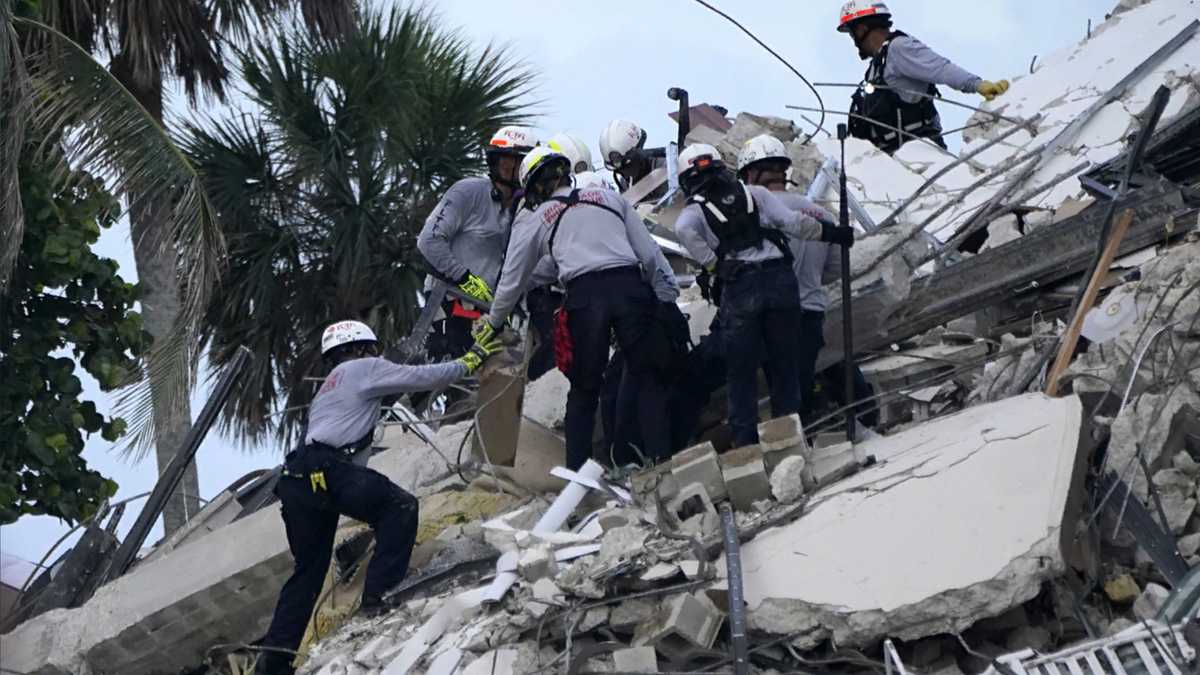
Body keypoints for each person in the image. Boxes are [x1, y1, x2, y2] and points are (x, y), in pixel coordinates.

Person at [253, 321, 504, 675]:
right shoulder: (363, 367)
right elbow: (423, 378)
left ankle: (274, 662)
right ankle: (379, 597)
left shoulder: (328, 387)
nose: (379, 356)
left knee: (308, 572)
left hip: (296, 479)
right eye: (375, 349)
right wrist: (471, 360)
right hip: (328, 469)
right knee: (398, 506)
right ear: (362, 348)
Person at [481, 147, 681, 470]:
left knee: (584, 391)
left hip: (585, 299)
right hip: (630, 287)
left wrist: (493, 322)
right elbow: (650, 255)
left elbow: (512, 280)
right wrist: (666, 299)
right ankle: (662, 462)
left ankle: (578, 479)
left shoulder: (537, 218)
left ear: (534, 188)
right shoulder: (610, 199)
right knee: (647, 379)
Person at [674, 143, 854, 447]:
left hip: (741, 289)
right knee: (785, 368)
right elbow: (793, 224)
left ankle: (747, 451)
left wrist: (714, 263)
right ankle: (790, 444)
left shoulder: (694, 212)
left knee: (741, 373)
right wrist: (835, 233)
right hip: (779, 283)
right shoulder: (755, 195)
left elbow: (682, 229)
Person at [736, 135, 877, 427]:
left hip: (768, 318)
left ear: (750, 173)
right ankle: (860, 417)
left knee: (784, 395)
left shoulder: (753, 213)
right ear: (784, 172)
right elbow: (837, 268)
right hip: (811, 313)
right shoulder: (821, 214)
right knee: (811, 374)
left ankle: (795, 449)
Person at [417, 126, 539, 362]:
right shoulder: (469, 191)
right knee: (438, 375)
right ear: (493, 161)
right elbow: (429, 240)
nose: (510, 167)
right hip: (450, 302)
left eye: (518, 161)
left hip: (490, 315)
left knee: (481, 391)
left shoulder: (523, 209)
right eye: (505, 159)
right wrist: (466, 280)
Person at [837, 0, 1010, 154]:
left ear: (862, 29)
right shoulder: (876, 66)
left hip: (919, 155)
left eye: (853, 34)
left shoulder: (899, 48)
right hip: (893, 159)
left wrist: (978, 85)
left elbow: (940, 68)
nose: (853, 40)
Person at [599, 119, 666, 197]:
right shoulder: (625, 184)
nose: (625, 173)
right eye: (619, 168)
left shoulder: (665, 168)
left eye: (627, 164)